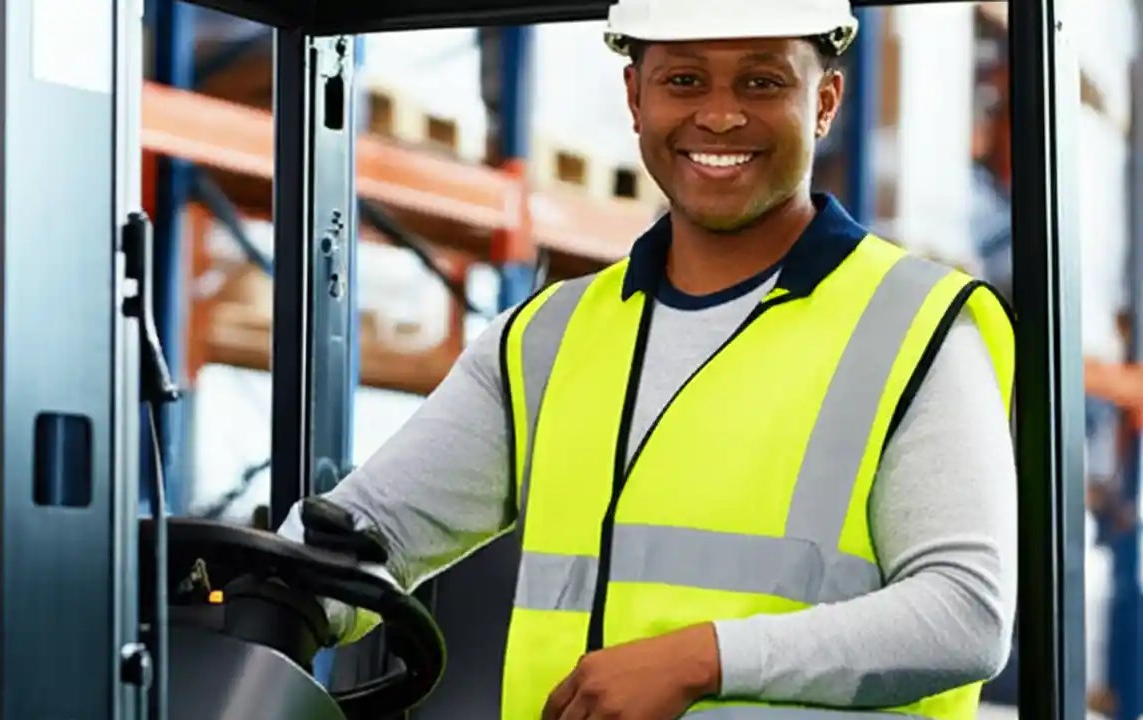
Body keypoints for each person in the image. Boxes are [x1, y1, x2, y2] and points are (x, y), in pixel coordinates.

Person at [281, 0, 1019, 717]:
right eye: (684, 81)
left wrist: (701, 659)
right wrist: (236, 599)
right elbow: (374, 530)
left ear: (825, 101)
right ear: (635, 96)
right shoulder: (549, 338)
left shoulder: (916, 328)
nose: (720, 115)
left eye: (762, 82)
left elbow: (965, 612)